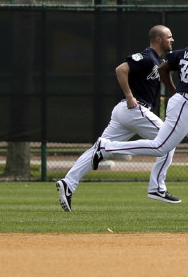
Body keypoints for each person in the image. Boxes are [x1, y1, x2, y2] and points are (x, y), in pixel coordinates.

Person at [92, 16, 188, 213]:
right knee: (161, 147)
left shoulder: (186, 51)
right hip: (186, 107)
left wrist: (175, 91)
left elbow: (163, 68)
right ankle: (106, 147)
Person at [57, 24, 179, 211]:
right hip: (134, 109)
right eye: (169, 37)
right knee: (169, 141)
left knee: (98, 150)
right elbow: (121, 69)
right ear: (158, 39)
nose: (172, 40)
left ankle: (68, 182)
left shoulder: (157, 60)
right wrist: (130, 96)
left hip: (126, 113)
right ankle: (157, 187)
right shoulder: (147, 57)